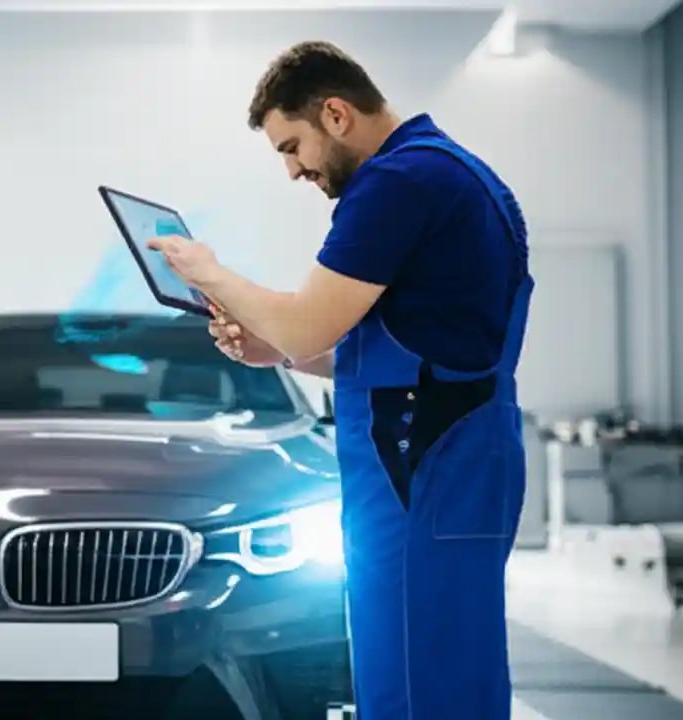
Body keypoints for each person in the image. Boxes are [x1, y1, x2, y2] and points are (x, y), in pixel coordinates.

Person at [148, 40, 532, 720]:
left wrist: (206, 271)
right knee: (450, 669)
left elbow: (308, 324)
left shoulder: (399, 183)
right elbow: (405, 343)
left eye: (291, 147)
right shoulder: (456, 173)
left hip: (423, 463)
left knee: (415, 679)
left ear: (334, 114)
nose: (294, 171)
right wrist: (279, 352)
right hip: (456, 454)